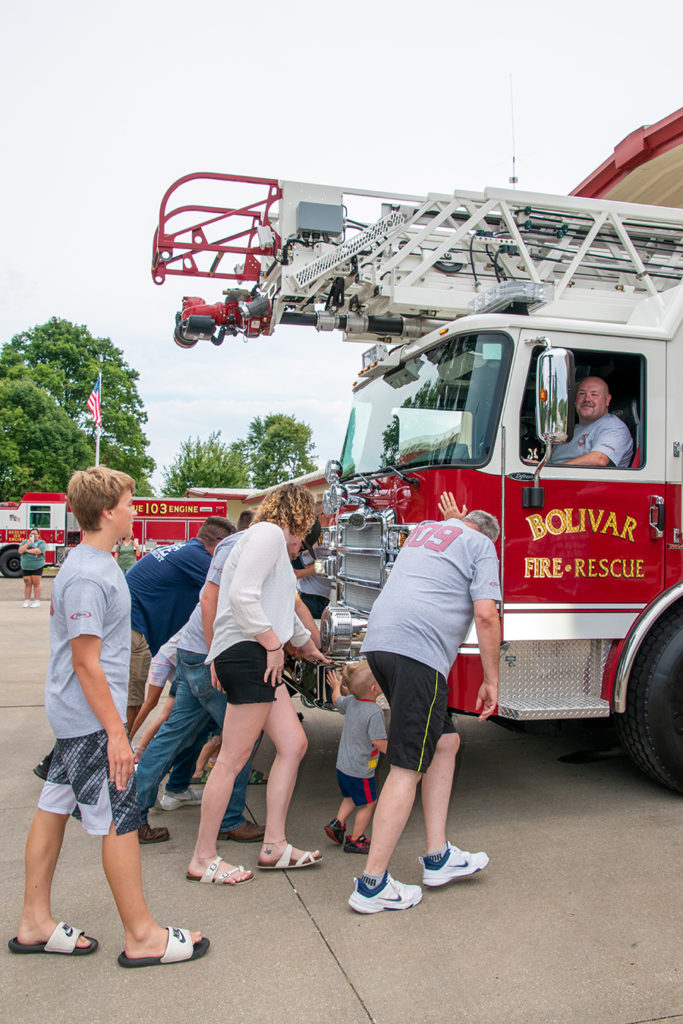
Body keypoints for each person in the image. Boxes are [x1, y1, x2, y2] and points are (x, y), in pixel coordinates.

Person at [8, 466, 208, 967]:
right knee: (120, 820)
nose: (135, 510)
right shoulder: (87, 576)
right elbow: (85, 662)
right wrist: (117, 735)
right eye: (129, 501)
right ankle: (142, 937)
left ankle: (34, 921)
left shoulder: (92, 564)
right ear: (106, 512)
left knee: (54, 806)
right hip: (88, 720)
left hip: (77, 716)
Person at [348, 500, 502, 914]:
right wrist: (492, 680)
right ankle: (372, 885)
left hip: (381, 645)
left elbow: (452, 537)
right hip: (419, 653)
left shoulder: (425, 532)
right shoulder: (483, 546)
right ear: (488, 535)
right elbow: (486, 615)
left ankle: (438, 857)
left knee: (445, 742)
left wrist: (456, 520)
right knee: (407, 767)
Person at [186, 484, 329, 884]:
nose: (303, 543)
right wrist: (273, 645)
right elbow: (243, 597)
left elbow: (278, 609)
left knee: (294, 744)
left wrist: (307, 647)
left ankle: (275, 845)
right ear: (297, 517)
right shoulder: (267, 534)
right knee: (232, 758)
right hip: (252, 654)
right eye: (305, 531)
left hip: (255, 653)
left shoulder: (269, 546)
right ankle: (203, 856)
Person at [135, 528, 262, 848]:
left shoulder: (226, 552)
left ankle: (131, 811)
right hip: (207, 656)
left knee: (172, 735)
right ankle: (231, 819)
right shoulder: (247, 555)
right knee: (243, 735)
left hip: (189, 653)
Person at [125, 516, 234, 736]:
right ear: (219, 543)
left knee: (125, 698)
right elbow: (230, 591)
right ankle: (115, 756)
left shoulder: (184, 550)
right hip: (133, 628)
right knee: (131, 700)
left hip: (126, 623)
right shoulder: (200, 557)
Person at [323, 661, 387, 854]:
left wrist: (335, 686)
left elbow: (336, 700)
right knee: (368, 803)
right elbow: (378, 742)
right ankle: (356, 839)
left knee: (351, 796)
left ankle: (337, 823)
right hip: (361, 770)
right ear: (374, 689)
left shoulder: (350, 701)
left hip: (343, 767)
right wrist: (399, 754)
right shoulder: (375, 712)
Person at [549, 376, 633, 467]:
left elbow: (599, 459)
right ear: (575, 400)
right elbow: (550, 464)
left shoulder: (614, 426)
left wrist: (556, 469)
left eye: (594, 395)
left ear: (607, 400)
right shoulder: (569, 432)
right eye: (582, 394)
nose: (587, 399)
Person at [18, 529, 46, 607]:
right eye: (32, 534)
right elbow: (20, 551)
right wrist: (27, 544)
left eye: (35, 534)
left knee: (36, 583)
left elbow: (38, 551)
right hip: (26, 567)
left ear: (39, 535)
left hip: (37, 566)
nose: (33, 535)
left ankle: (37, 601)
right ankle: (26, 600)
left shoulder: (41, 543)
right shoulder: (25, 542)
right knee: (27, 583)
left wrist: (26, 551)